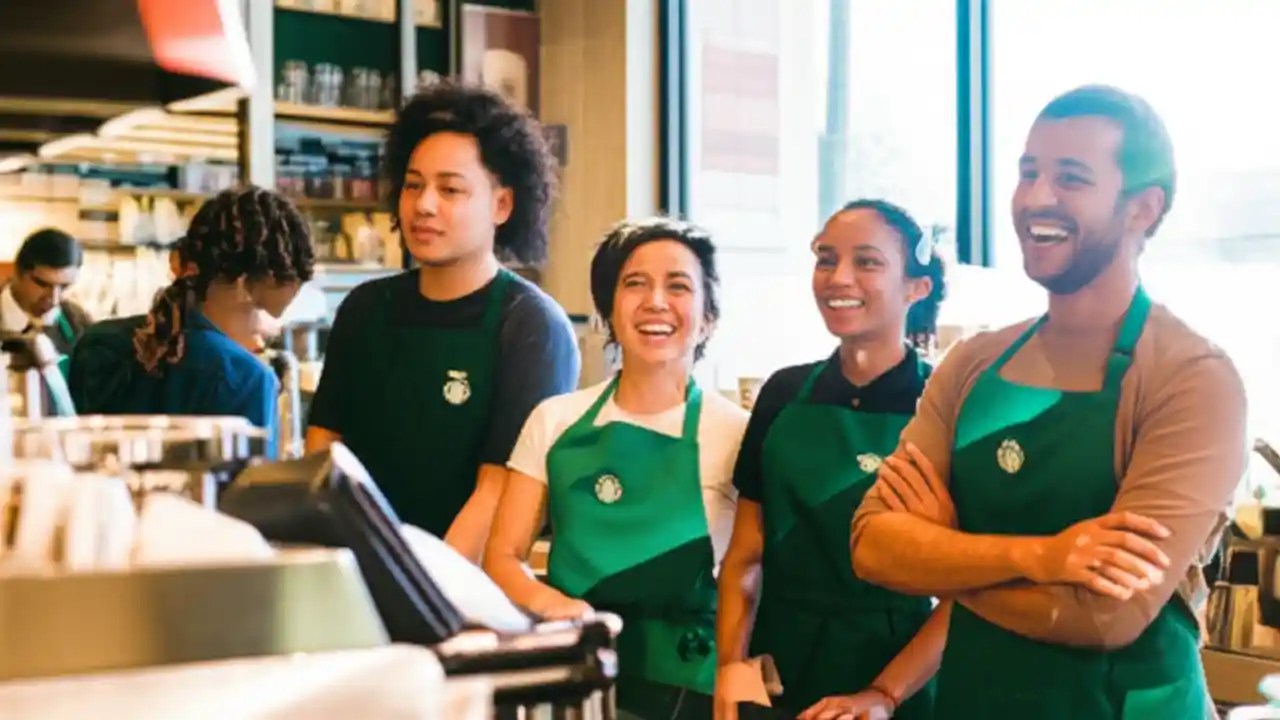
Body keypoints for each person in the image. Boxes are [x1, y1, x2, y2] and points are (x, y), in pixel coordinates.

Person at [849, 85, 1246, 719]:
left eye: (1071, 178)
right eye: (1028, 172)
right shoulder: (973, 364)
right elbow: (871, 545)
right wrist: (1041, 557)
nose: (1036, 198)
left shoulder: (1191, 378)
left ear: (1142, 208)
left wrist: (943, 551)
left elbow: (1105, 615)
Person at [484, 218, 748, 720]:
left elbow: (753, 573)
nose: (655, 302)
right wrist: (554, 605)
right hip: (576, 670)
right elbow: (503, 555)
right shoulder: (554, 420)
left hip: (688, 688)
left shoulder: (737, 431)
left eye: (678, 286)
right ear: (607, 312)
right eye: (635, 284)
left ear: (709, 318)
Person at [305, 82, 579, 562]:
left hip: (462, 597)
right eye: (413, 185)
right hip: (353, 578)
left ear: (502, 205)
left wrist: (422, 586)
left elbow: (498, 491)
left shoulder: (532, 326)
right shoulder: (364, 309)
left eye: (450, 189)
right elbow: (324, 455)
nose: (424, 205)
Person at [714, 200, 948, 720]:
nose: (838, 277)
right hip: (778, 669)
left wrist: (883, 695)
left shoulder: (944, 405)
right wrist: (730, 671)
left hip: (899, 677)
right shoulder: (783, 392)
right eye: (825, 258)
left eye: (867, 262)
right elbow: (745, 558)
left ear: (917, 287)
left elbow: (967, 594)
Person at [68, 187, 315, 458]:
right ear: (244, 286)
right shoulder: (246, 378)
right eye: (262, 314)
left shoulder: (97, 342)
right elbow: (248, 495)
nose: (264, 335)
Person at [2, 227, 92, 372]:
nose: (54, 299)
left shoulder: (79, 323)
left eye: (64, 287)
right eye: (42, 284)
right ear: (17, 272)